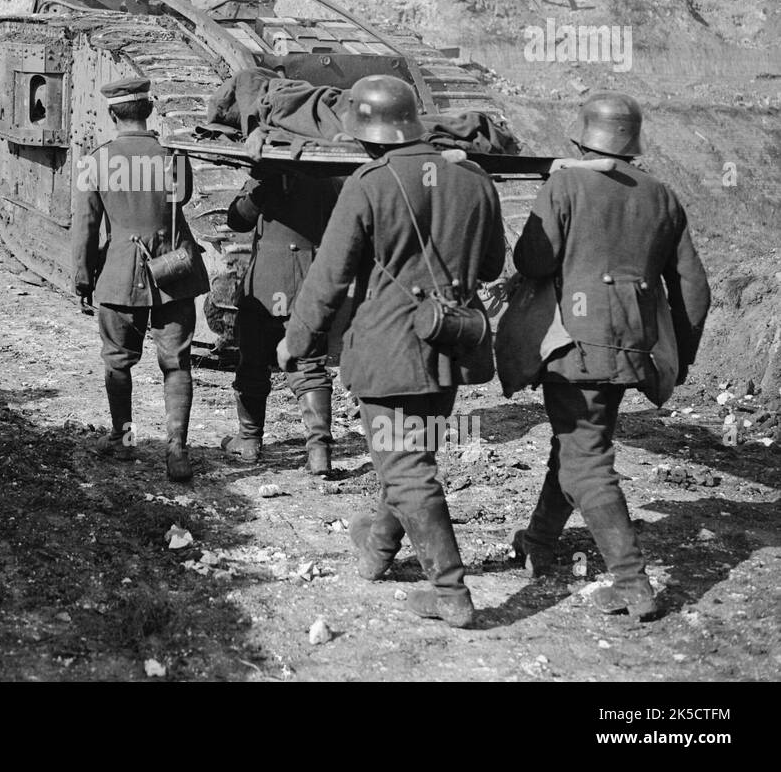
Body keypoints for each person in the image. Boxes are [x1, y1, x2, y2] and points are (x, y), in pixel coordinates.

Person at [277, 75, 504, 628]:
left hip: (388, 352)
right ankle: (378, 549)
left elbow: (329, 278)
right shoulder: (474, 178)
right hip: (448, 345)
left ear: (368, 133)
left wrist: (298, 340)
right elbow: (495, 263)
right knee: (408, 458)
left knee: (405, 467)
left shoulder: (369, 183)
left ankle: (450, 592)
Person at [510, 92, 709, 619]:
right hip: (631, 347)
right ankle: (540, 541)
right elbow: (693, 287)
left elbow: (532, 261)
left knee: (587, 460)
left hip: (575, 346)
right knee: (580, 445)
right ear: (634, 144)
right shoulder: (662, 195)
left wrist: (552, 199)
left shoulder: (566, 182)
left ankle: (632, 582)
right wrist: (679, 358)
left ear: (582, 138)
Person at [72, 76, 210, 484]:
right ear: (148, 111)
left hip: (118, 276)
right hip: (174, 273)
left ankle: (124, 438)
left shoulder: (94, 161)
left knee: (118, 360)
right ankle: (177, 448)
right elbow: (181, 200)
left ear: (113, 113)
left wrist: (83, 279)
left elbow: (84, 226)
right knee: (176, 361)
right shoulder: (174, 156)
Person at [222, 168, 341, 474]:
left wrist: (260, 192)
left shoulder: (263, 181)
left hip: (264, 284)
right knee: (309, 364)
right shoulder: (332, 179)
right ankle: (319, 452)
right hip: (308, 280)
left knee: (252, 361)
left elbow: (236, 219)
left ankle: (248, 441)